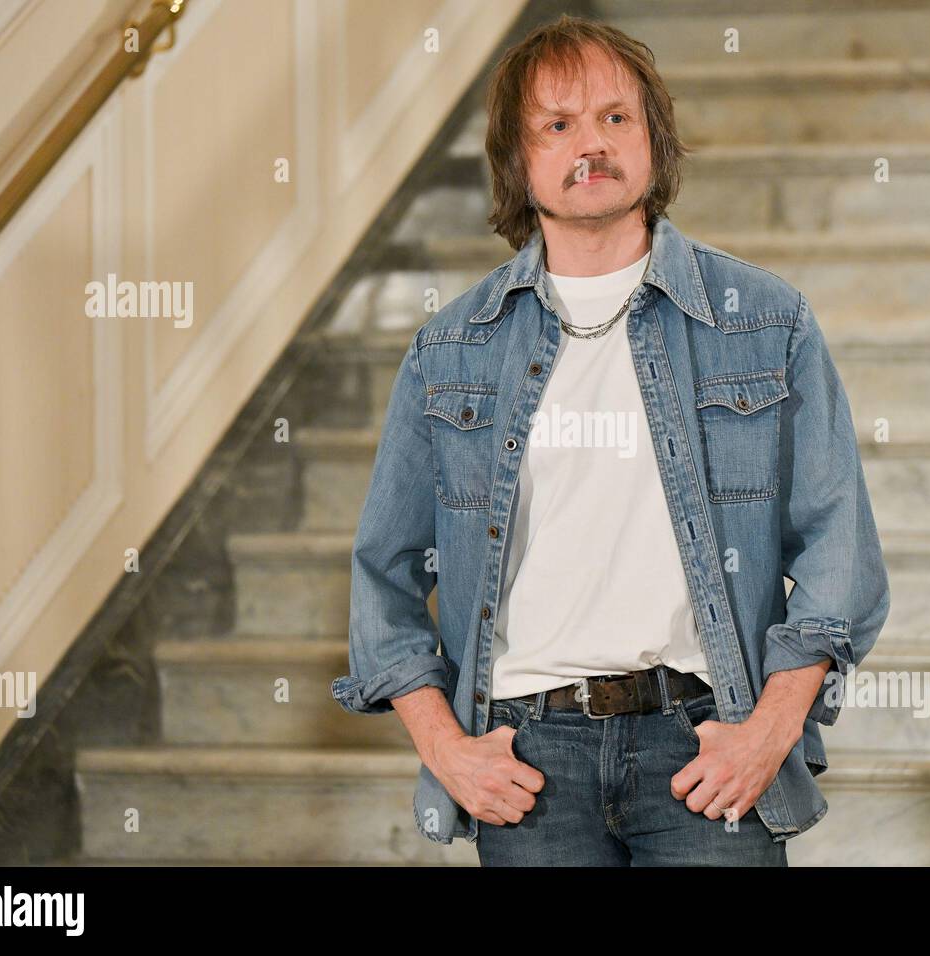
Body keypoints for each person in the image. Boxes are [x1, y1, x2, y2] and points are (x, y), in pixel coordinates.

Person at [331, 13, 890, 867]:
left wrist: (769, 730)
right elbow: (384, 576)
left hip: (706, 745)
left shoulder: (765, 322)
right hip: (528, 762)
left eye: (615, 118)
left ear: (655, 143)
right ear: (520, 162)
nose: (590, 143)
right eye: (558, 125)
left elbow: (839, 554)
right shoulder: (451, 351)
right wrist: (449, 752)